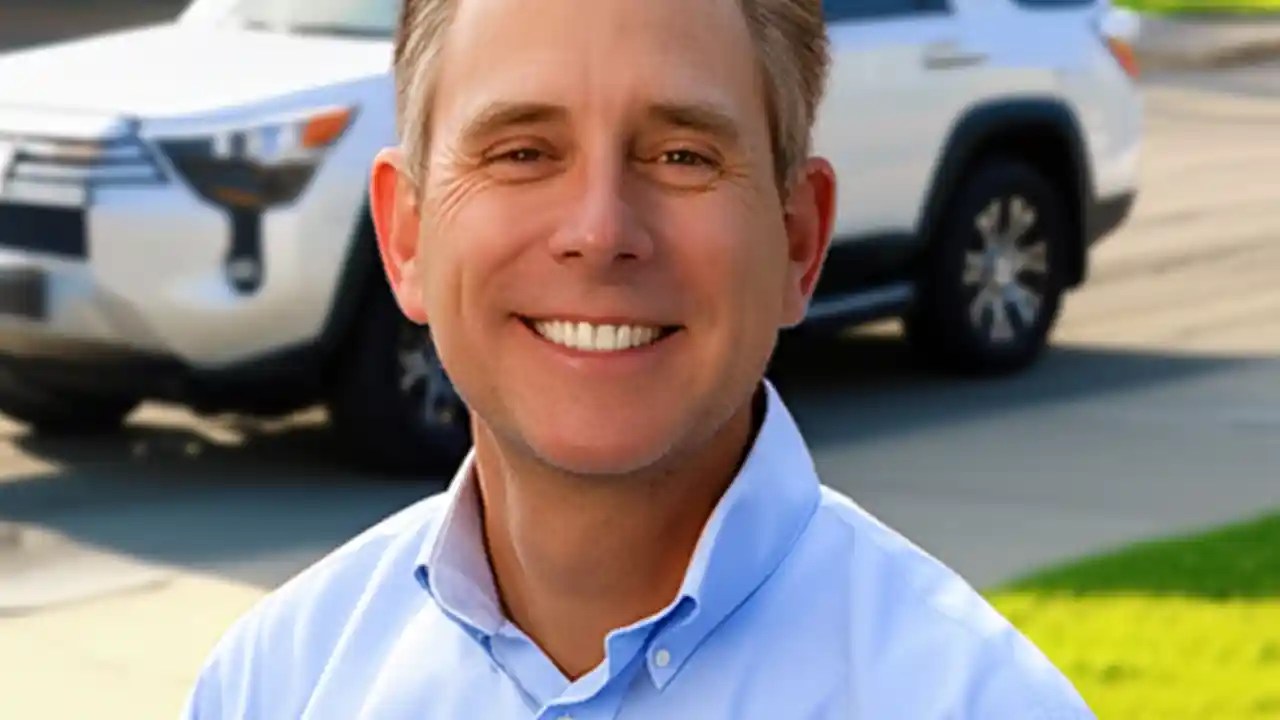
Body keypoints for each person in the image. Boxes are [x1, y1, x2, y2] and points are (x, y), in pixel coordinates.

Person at [181, 0, 1096, 717]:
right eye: (524, 151)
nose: (600, 231)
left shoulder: (978, 703)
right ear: (407, 237)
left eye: (682, 154)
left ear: (798, 243)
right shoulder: (275, 684)